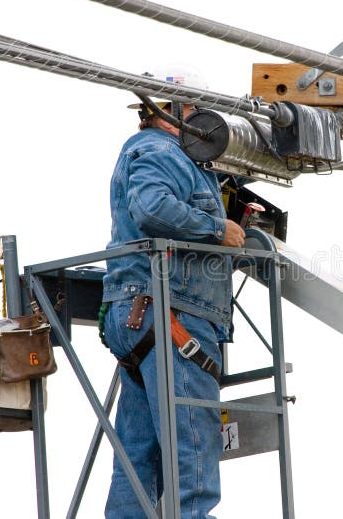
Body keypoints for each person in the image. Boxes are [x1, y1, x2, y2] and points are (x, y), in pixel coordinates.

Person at [101, 65, 245, 519]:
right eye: (195, 111)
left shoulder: (158, 153)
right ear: (176, 112)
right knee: (193, 451)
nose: (202, 121)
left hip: (138, 313)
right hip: (171, 312)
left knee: (137, 453)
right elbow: (152, 207)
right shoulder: (163, 151)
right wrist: (217, 229)